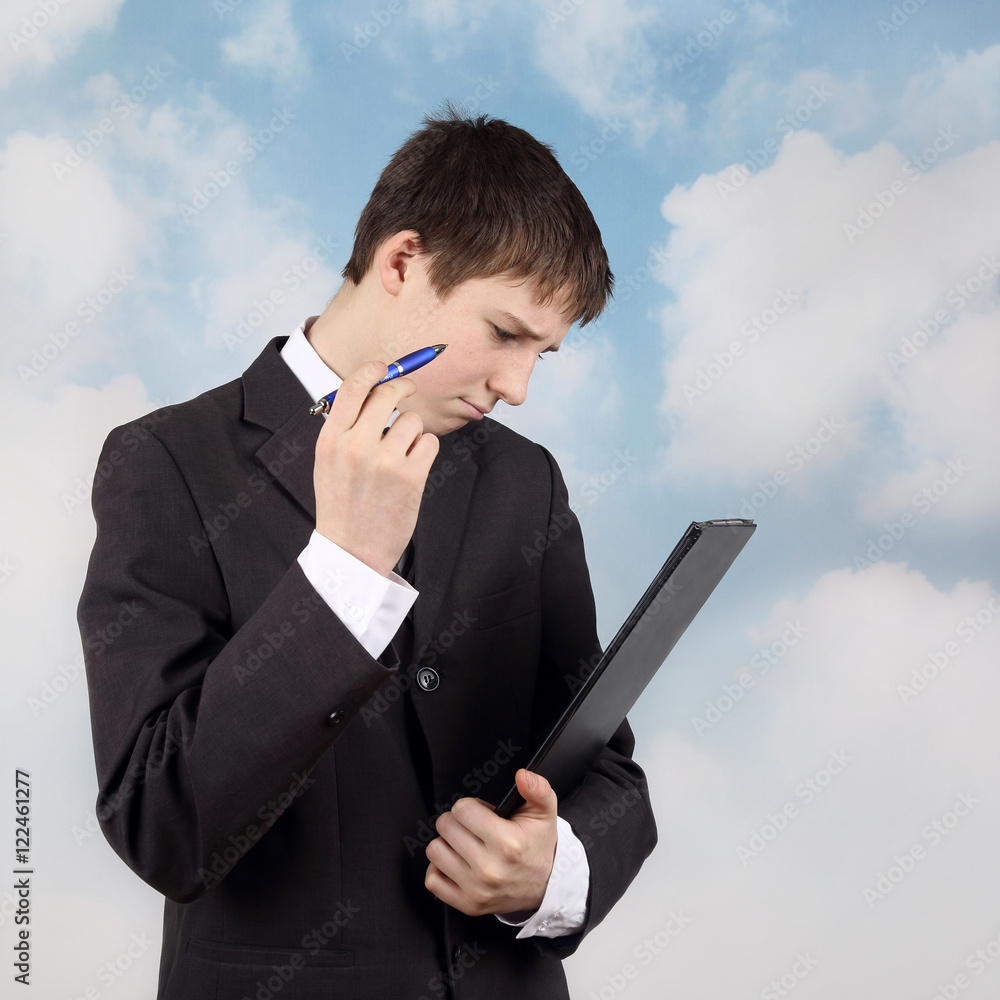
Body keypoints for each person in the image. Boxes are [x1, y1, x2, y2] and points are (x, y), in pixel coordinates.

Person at [78, 103, 656, 1000]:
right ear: (401, 261)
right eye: (506, 334)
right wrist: (344, 572)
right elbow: (161, 823)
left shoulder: (525, 481)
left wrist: (554, 873)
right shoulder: (164, 464)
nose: (518, 387)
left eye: (545, 353)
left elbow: (603, 761)